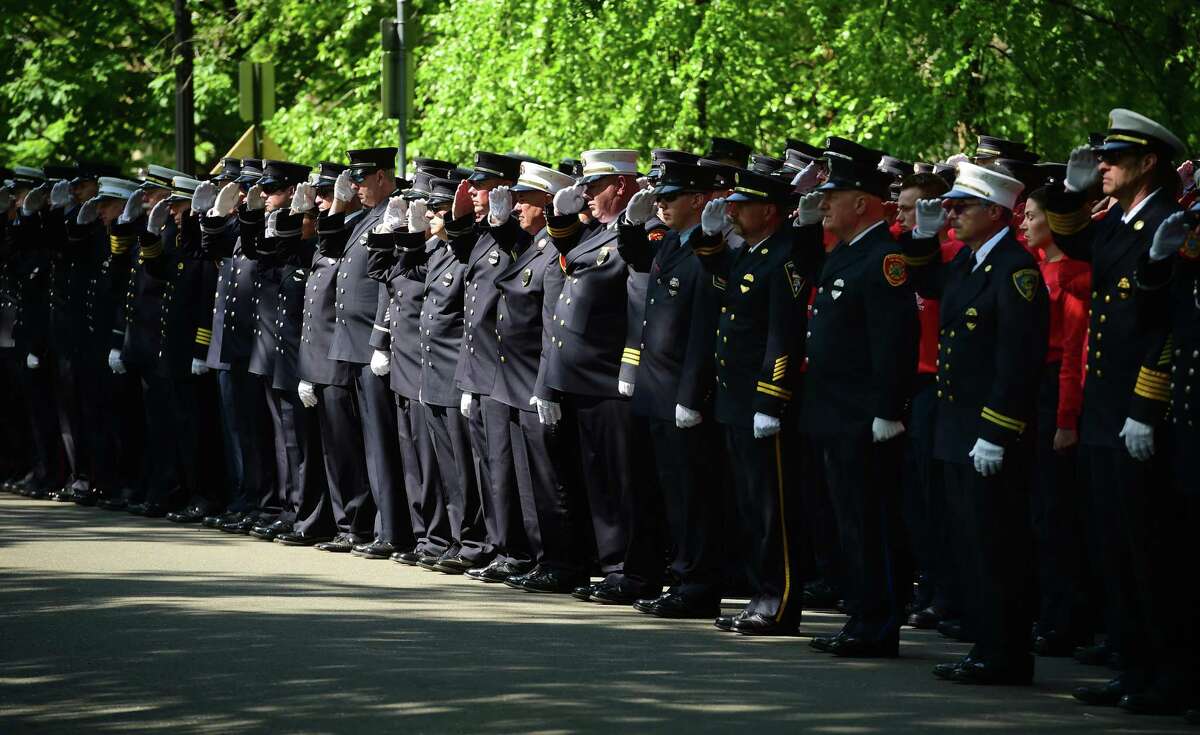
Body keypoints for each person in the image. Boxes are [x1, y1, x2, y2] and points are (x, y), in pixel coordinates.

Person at [1048, 109, 1189, 715]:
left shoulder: (1169, 223)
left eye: (1113, 159)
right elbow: (1076, 241)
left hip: (1139, 410)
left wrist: (1145, 403)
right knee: (1113, 547)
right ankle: (1131, 667)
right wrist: (1070, 191)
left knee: (1149, 550)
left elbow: (1172, 327)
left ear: (1147, 162)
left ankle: (1168, 676)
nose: (1102, 165)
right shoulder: (1119, 222)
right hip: (1106, 410)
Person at [905, 161, 1047, 685]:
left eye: (962, 207)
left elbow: (1018, 360)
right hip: (957, 427)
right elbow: (927, 284)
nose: (951, 214)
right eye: (950, 206)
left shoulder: (1015, 269)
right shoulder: (969, 261)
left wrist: (996, 431)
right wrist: (922, 238)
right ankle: (986, 646)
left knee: (997, 544)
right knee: (970, 541)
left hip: (988, 430)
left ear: (995, 212)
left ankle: (1005, 653)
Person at [804, 152, 919, 658]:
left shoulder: (884, 258)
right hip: (835, 412)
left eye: (833, 197)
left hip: (864, 417)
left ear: (861, 203)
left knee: (871, 522)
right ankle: (861, 615)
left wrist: (888, 410)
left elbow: (895, 341)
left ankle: (878, 622)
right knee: (849, 521)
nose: (824, 204)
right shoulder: (847, 252)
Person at [689, 168, 813, 636]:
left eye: (742, 206)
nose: (732, 211)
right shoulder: (750, 252)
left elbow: (784, 334)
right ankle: (761, 596)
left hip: (761, 401)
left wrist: (771, 397)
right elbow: (722, 282)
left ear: (770, 211)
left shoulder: (784, 257)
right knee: (749, 505)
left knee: (771, 509)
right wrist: (709, 239)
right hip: (736, 399)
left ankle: (779, 604)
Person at [618, 160, 726, 619]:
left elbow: (705, 328)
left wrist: (692, 394)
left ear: (698, 200)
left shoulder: (710, 248)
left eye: (670, 197)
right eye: (659, 197)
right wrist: (630, 223)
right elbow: (637, 258)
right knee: (655, 492)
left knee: (690, 497)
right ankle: (658, 575)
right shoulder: (671, 242)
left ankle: (695, 585)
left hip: (682, 391)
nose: (661, 205)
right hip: (654, 388)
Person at [1020, 186, 1093, 657]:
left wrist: (1066, 418)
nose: (1024, 223)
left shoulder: (1073, 274)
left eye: (1032, 216)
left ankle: (1065, 619)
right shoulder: (1033, 267)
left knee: (1055, 514)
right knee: (1035, 511)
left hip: (1053, 393)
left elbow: (1071, 352)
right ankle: (1044, 611)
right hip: (1031, 391)